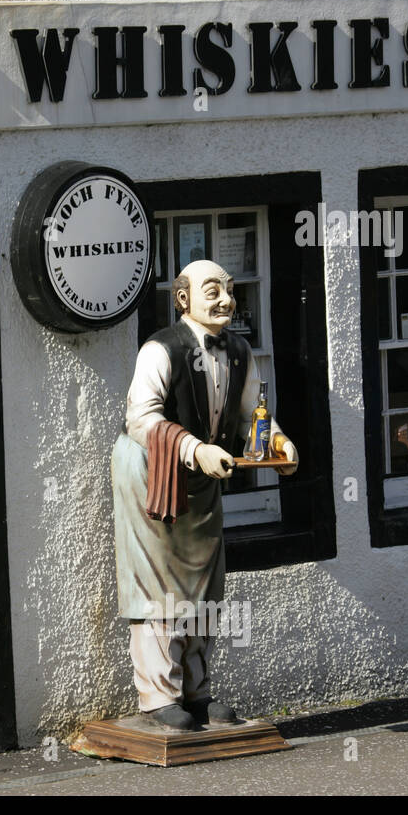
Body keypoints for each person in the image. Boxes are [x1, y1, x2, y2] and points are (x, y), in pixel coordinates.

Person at [112, 259, 298, 731]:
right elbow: (141, 418)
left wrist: (277, 442)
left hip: (203, 478)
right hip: (153, 475)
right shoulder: (160, 349)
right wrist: (195, 449)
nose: (226, 300)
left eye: (230, 290)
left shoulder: (238, 350)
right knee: (159, 589)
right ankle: (158, 696)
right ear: (182, 299)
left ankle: (197, 692)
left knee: (204, 587)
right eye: (212, 290)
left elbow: (249, 416)